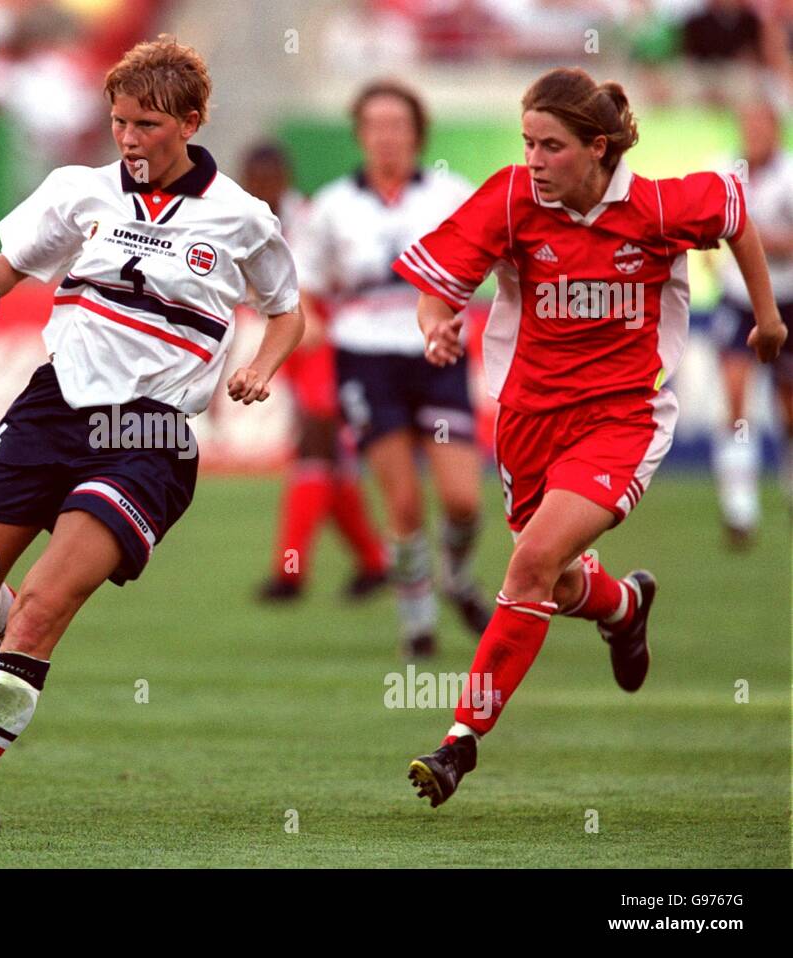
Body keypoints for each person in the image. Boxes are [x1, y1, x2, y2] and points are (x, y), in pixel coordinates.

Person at [0, 36, 303, 829]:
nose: (128, 138)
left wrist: (264, 365)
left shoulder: (244, 219)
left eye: (146, 124)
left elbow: (288, 311)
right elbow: (7, 262)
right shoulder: (79, 191)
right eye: (118, 121)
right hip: (53, 411)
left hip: (149, 436)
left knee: (44, 606)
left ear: (189, 122)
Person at [394, 67, 786, 807]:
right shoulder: (511, 198)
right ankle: (622, 607)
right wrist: (434, 324)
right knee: (551, 580)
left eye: (551, 146)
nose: (534, 160)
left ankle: (458, 744)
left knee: (532, 563)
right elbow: (438, 284)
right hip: (529, 421)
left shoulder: (660, 206)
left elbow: (735, 214)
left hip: (622, 417)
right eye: (527, 143)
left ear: (597, 148)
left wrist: (766, 318)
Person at [294, 80, 494, 658]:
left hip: (437, 351)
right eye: (375, 125)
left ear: (417, 134)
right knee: (402, 500)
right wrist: (313, 326)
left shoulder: (452, 194)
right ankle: (418, 621)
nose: (387, 137)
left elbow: (488, 264)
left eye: (398, 125)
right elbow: (307, 287)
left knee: (462, 500)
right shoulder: (332, 204)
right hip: (365, 359)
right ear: (360, 134)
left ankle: (456, 577)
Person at [239, 142, 390, 603]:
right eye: (255, 182)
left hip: (327, 344)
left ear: (284, 179)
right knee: (331, 464)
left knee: (315, 444)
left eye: (269, 181)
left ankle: (290, 572)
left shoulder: (307, 219)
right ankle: (375, 562)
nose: (262, 190)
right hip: (292, 350)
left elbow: (331, 276)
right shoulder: (240, 223)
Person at [710, 101, 793, 547]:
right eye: (748, 122)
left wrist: (764, 243)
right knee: (736, 396)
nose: (753, 131)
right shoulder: (723, 171)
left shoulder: (790, 175)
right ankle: (739, 505)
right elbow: (707, 228)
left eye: (761, 123)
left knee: (788, 408)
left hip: (786, 302)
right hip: (738, 300)